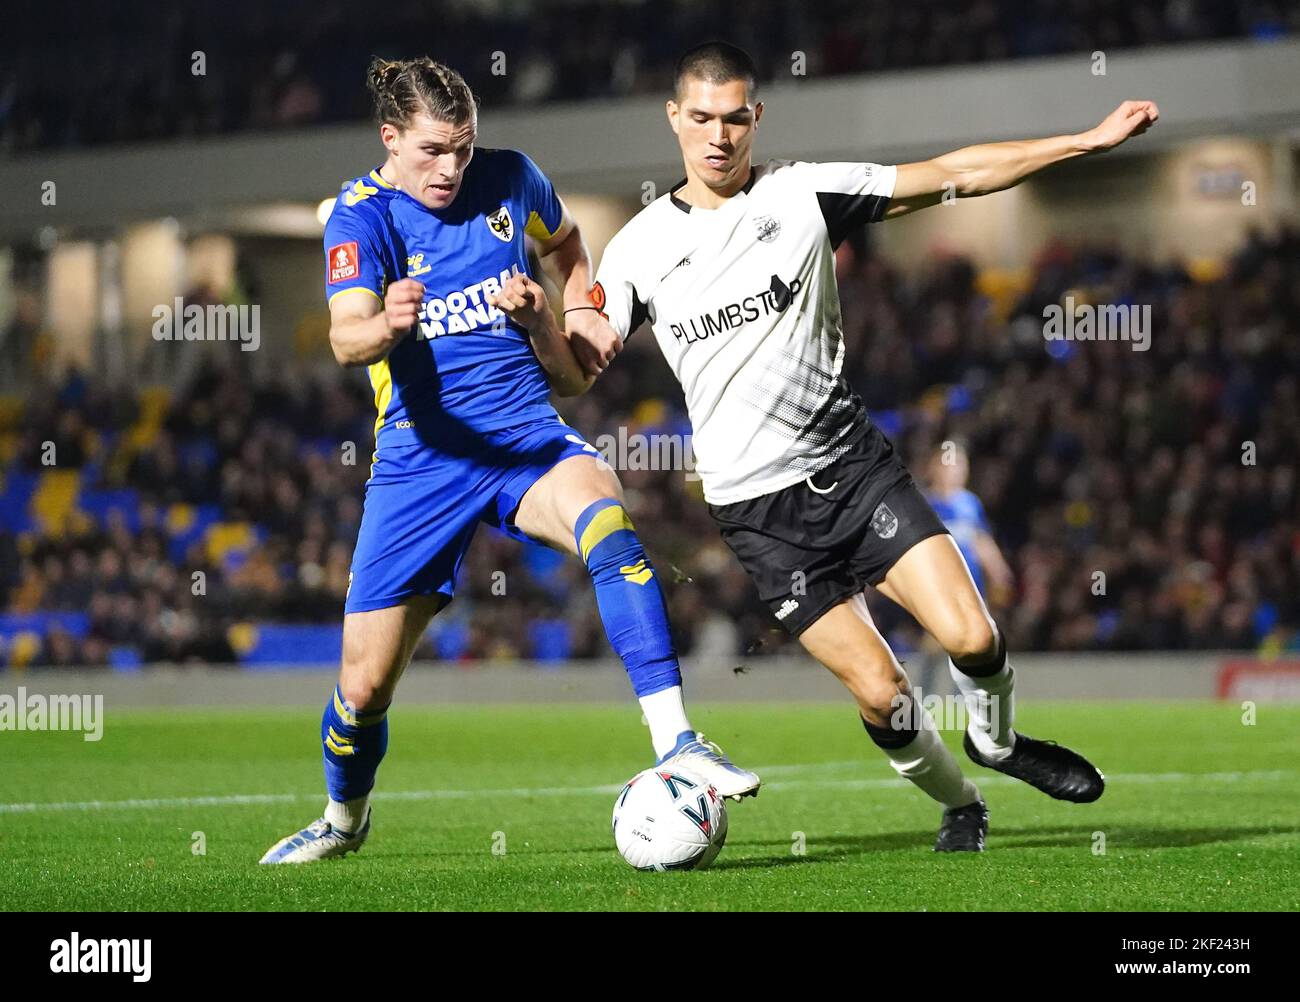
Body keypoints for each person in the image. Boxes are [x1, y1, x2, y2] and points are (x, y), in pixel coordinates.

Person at [511, 42, 1158, 851]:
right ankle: (962, 804)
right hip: (759, 514)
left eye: (735, 118)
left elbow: (952, 172)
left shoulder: (804, 195)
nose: (718, 136)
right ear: (674, 118)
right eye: (702, 118)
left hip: (854, 470)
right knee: (885, 694)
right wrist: (541, 320)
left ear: (757, 118)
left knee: (973, 638)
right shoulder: (639, 248)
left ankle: (996, 742)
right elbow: (578, 376)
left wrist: (1082, 143)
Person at [261, 57, 758, 865]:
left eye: (462, 147)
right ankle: (343, 822)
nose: (451, 168)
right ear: (390, 139)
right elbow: (344, 335)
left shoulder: (514, 179)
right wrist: (386, 324)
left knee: (610, 525)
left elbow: (565, 245)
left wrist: (570, 309)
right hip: (421, 463)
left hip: (524, 433)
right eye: (431, 151)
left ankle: (679, 741)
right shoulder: (359, 218)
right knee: (361, 693)